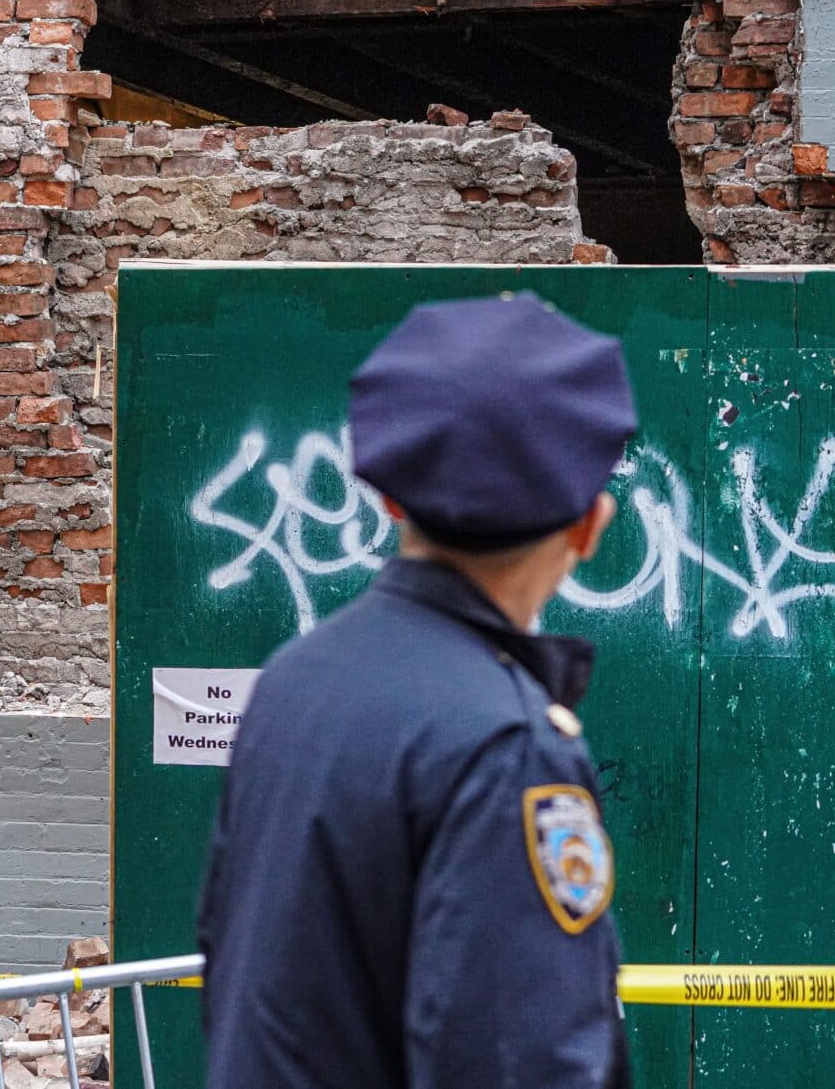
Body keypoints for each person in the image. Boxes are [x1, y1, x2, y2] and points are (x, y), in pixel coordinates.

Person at [195, 292, 639, 1089]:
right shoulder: (506, 746)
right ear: (589, 525)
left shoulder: (295, 679)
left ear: (389, 497)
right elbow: (517, 1064)